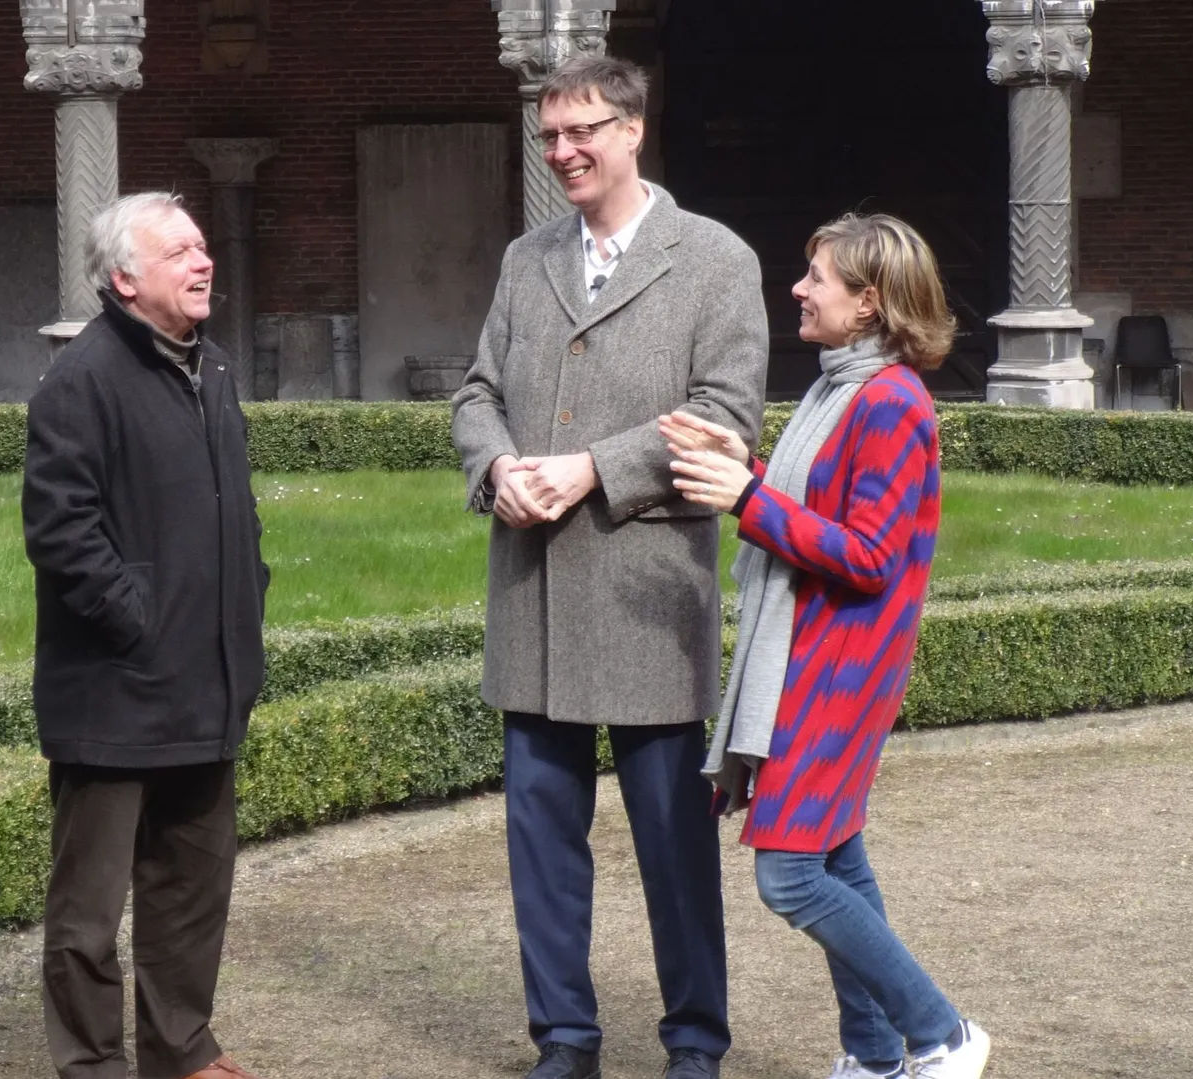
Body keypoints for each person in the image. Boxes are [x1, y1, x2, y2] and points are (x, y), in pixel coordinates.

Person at [450, 55, 769, 1079]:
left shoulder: (715, 261)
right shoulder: (524, 257)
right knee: (542, 845)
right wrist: (496, 464)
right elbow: (475, 392)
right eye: (550, 136)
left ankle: (694, 1043)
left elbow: (725, 421)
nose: (563, 152)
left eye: (582, 130)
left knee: (674, 849)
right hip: (533, 591)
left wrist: (591, 467)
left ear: (633, 130)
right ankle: (566, 1040)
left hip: (646, 597)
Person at [662, 214, 988, 1079]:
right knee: (836, 854)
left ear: (870, 302)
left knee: (790, 874)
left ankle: (943, 1033)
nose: (800, 289)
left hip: (842, 667)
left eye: (818, 277)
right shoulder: (839, 387)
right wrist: (753, 470)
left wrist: (746, 498)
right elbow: (826, 512)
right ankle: (877, 1056)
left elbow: (870, 556)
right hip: (813, 658)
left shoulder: (890, 401)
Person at [21, 191, 270, 1079]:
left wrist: (246, 609)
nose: (204, 262)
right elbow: (61, 532)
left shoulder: (215, 368)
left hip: (206, 683)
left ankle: (181, 1049)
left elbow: (230, 515)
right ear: (126, 279)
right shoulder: (80, 379)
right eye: (180, 253)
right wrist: (143, 621)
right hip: (117, 691)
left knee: (191, 888)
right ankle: (91, 1064)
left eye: (204, 245)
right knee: (90, 912)